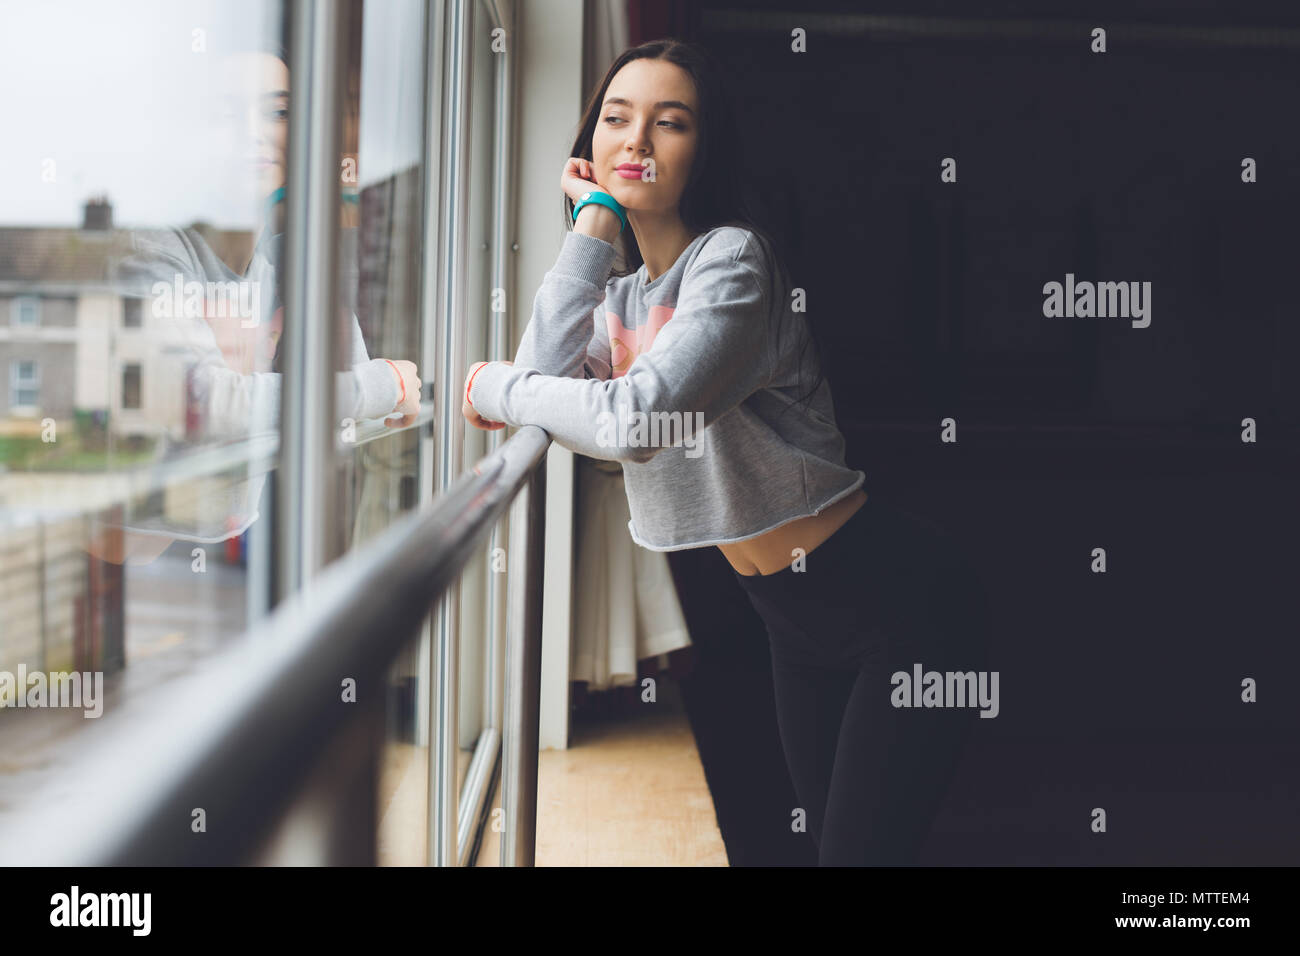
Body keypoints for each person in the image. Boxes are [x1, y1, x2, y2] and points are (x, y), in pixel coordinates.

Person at [462, 38, 992, 865]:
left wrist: (492, 386)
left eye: (669, 123)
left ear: (703, 149)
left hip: (899, 609)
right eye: (616, 118)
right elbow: (547, 385)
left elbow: (624, 419)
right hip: (791, 620)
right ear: (589, 142)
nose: (636, 141)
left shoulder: (733, 264)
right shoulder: (626, 294)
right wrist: (592, 228)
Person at [95, 47, 420, 564]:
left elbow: (354, 394)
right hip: (134, 558)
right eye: (227, 115)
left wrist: (376, 398)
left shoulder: (276, 254)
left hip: (222, 541)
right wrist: (376, 389)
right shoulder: (155, 247)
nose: (255, 132)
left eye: (279, 112)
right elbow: (203, 405)